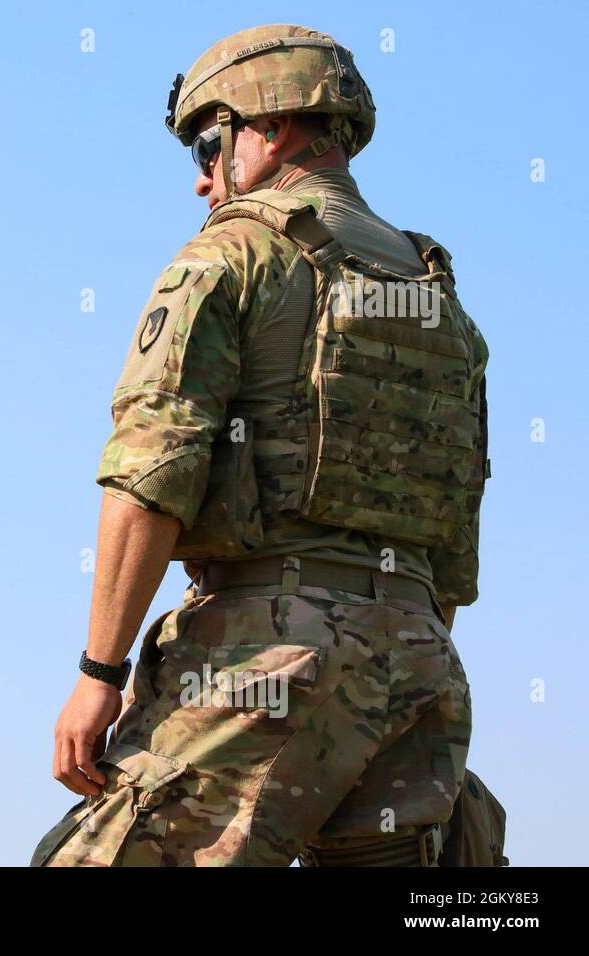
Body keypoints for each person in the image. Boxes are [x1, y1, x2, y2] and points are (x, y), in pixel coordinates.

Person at [32, 24, 488, 866]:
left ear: (272, 128)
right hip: (424, 672)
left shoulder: (230, 256)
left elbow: (150, 474)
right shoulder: (439, 302)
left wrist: (98, 676)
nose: (203, 182)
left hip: (266, 657)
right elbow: (453, 538)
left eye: (210, 145)